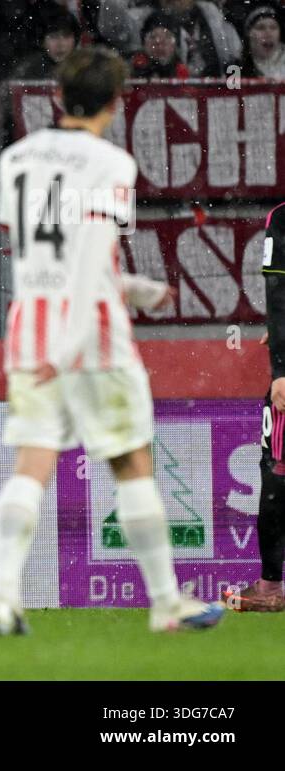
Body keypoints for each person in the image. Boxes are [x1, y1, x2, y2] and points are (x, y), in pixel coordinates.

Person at [0, 46, 223, 634]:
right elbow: (88, 257)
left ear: (60, 97)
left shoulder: (16, 158)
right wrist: (73, 345)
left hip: (29, 324)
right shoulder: (109, 163)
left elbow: (43, 252)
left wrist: (133, 286)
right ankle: (166, 602)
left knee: (31, 463)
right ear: (115, 105)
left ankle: (3, 599)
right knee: (130, 463)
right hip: (88, 334)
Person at [223, 198, 285, 612]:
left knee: (277, 476)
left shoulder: (281, 219)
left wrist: (281, 367)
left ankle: (270, 587)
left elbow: (278, 294)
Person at [131, 10, 192, 78]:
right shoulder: (129, 72)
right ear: (144, 43)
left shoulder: (186, 76)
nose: (159, 44)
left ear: (175, 45)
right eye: (153, 37)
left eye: (167, 37)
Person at [240, 3, 285, 78]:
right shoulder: (236, 69)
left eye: (273, 27)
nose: (268, 33)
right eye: (260, 28)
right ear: (249, 35)